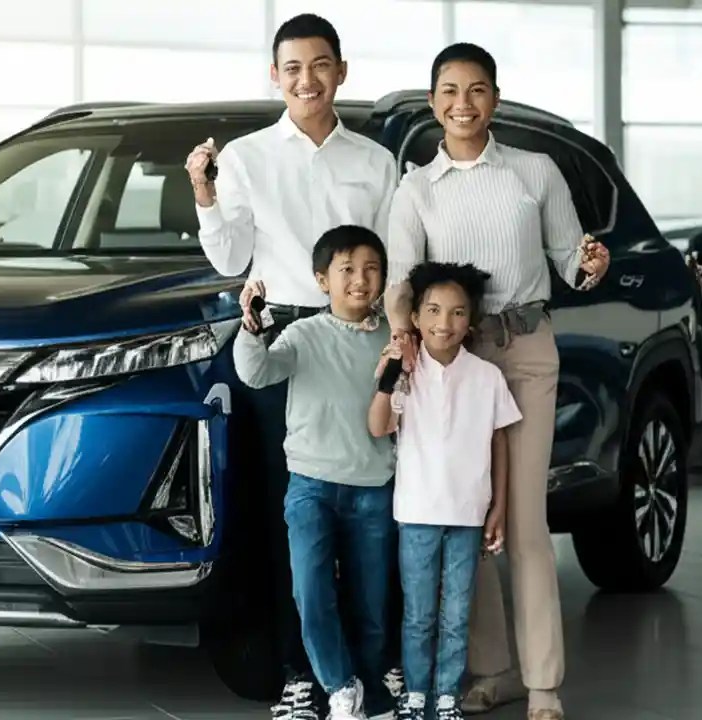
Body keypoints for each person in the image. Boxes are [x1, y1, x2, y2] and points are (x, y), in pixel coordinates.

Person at [382, 43, 611, 720]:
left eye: (476, 90)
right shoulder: (415, 189)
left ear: (496, 99)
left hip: (527, 347)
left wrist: (591, 262)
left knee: (525, 520)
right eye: (449, 91)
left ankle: (544, 682)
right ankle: (491, 669)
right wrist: (404, 338)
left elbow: (574, 261)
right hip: (451, 358)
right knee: (465, 515)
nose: (463, 104)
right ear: (433, 103)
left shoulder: (535, 172)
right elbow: (401, 280)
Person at [184, 12, 403, 719]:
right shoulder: (246, 157)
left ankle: (375, 671)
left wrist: (399, 342)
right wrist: (206, 194)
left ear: (341, 70)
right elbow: (227, 259)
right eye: (291, 68)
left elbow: (392, 264)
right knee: (291, 517)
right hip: (284, 337)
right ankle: (299, 676)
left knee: (375, 509)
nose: (306, 79)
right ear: (273, 76)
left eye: (319, 65)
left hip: (365, 336)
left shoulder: (374, 161)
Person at [234, 225, 399, 720]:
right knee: (311, 590)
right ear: (321, 281)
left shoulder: (394, 337)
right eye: (346, 270)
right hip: (310, 486)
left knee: (372, 605)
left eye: (372, 269)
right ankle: (339, 685)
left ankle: (370, 688)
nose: (360, 280)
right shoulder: (304, 334)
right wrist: (250, 329)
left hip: (373, 486)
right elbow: (256, 372)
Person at [369, 262, 522, 720]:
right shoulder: (406, 373)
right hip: (416, 512)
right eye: (433, 310)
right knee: (419, 616)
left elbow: (499, 439)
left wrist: (499, 506)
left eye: (457, 313)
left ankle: (447, 697)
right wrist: (388, 374)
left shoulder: (487, 377)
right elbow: (378, 426)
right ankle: (416, 696)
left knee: (457, 616)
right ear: (414, 318)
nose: (445, 322)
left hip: (468, 515)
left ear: (471, 321)